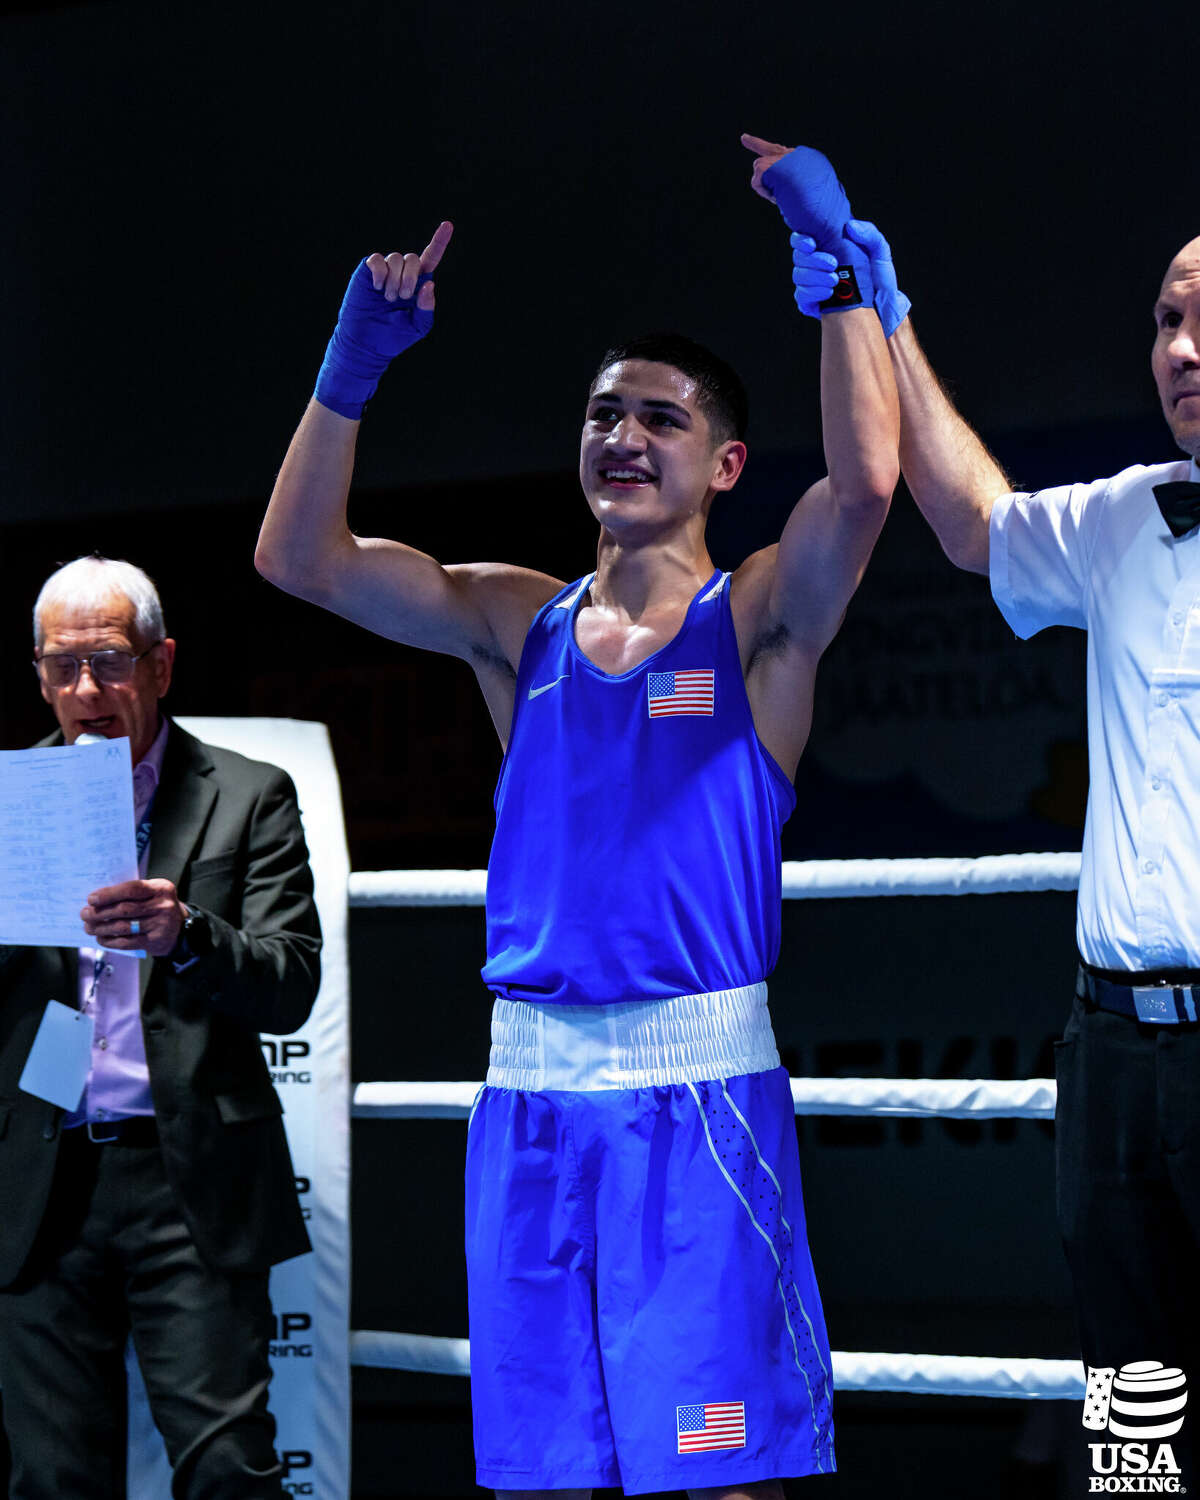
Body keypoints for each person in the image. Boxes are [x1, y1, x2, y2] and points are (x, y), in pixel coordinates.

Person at [256, 134, 899, 1498]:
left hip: (697, 1110)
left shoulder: (761, 620)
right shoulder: (514, 622)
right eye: (606, 413)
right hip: (532, 1101)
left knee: (716, 1476)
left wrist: (840, 285)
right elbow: (297, 560)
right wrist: (348, 371)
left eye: (662, 418)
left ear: (726, 465)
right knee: (548, 1478)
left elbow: (868, 492)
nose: (623, 435)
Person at [778, 139, 1200, 1480]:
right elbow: (972, 525)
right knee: (1136, 1397)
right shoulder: (1134, 519)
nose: (1182, 348)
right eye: (1167, 320)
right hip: (1118, 1048)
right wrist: (883, 311)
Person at [0, 555, 323, 1500]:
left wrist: (188, 935)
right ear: (39, 675)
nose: (86, 690)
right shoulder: (9, 803)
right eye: (62, 668)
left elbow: (291, 984)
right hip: (41, 1177)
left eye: (107, 661)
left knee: (227, 1468)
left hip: (190, 1180)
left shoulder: (247, 792)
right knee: (53, 1480)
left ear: (161, 664)